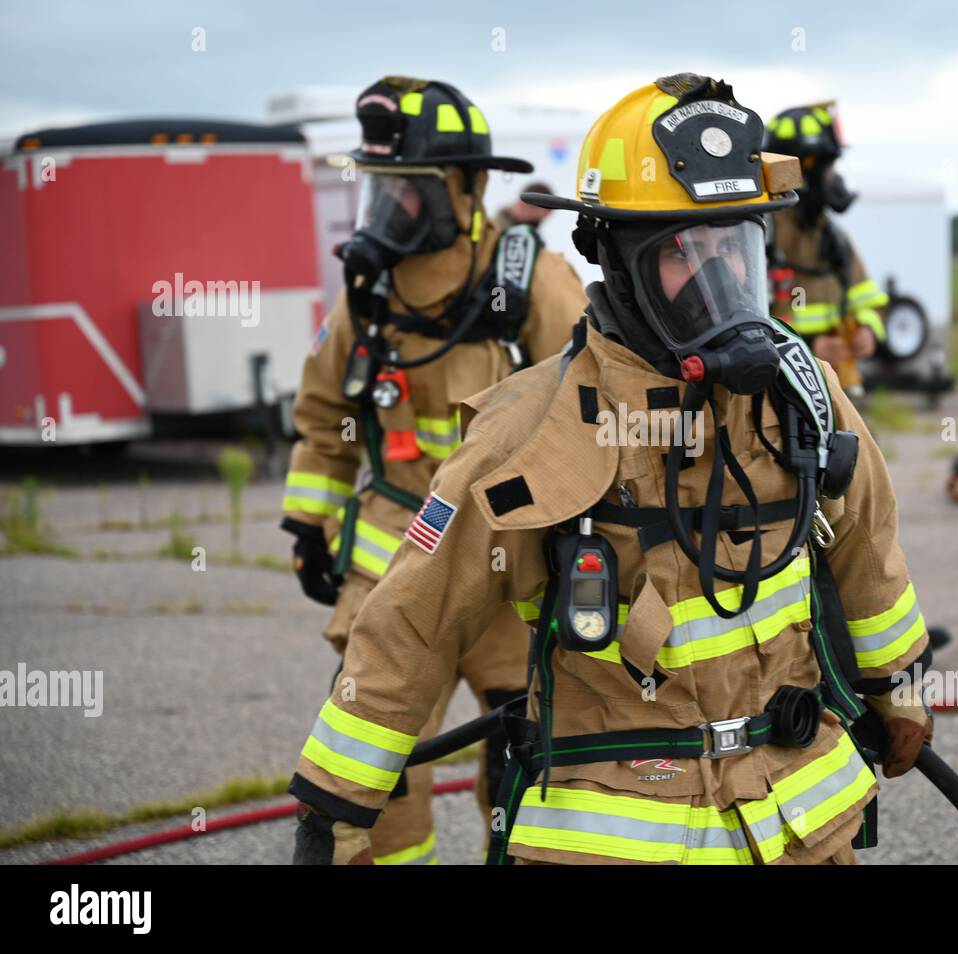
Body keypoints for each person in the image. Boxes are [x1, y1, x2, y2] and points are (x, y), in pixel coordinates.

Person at [290, 73, 933, 866]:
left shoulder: (802, 395)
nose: (718, 280)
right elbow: (413, 622)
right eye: (683, 253)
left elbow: (867, 549)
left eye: (735, 247)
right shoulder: (529, 431)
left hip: (798, 824)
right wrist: (339, 804)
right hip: (623, 839)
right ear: (616, 261)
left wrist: (897, 685)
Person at [280, 76, 587, 865]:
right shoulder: (369, 295)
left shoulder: (531, 285)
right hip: (391, 560)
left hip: (507, 558)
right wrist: (308, 520)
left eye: (407, 191)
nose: (388, 209)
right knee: (371, 760)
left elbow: (594, 409)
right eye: (380, 189)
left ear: (464, 186)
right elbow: (324, 417)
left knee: (525, 755)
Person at [762, 102, 889, 394]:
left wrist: (867, 330)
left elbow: (869, 301)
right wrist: (808, 347)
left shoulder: (832, 237)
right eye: (829, 167)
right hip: (780, 395)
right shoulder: (763, 236)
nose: (834, 178)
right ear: (802, 171)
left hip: (833, 394)